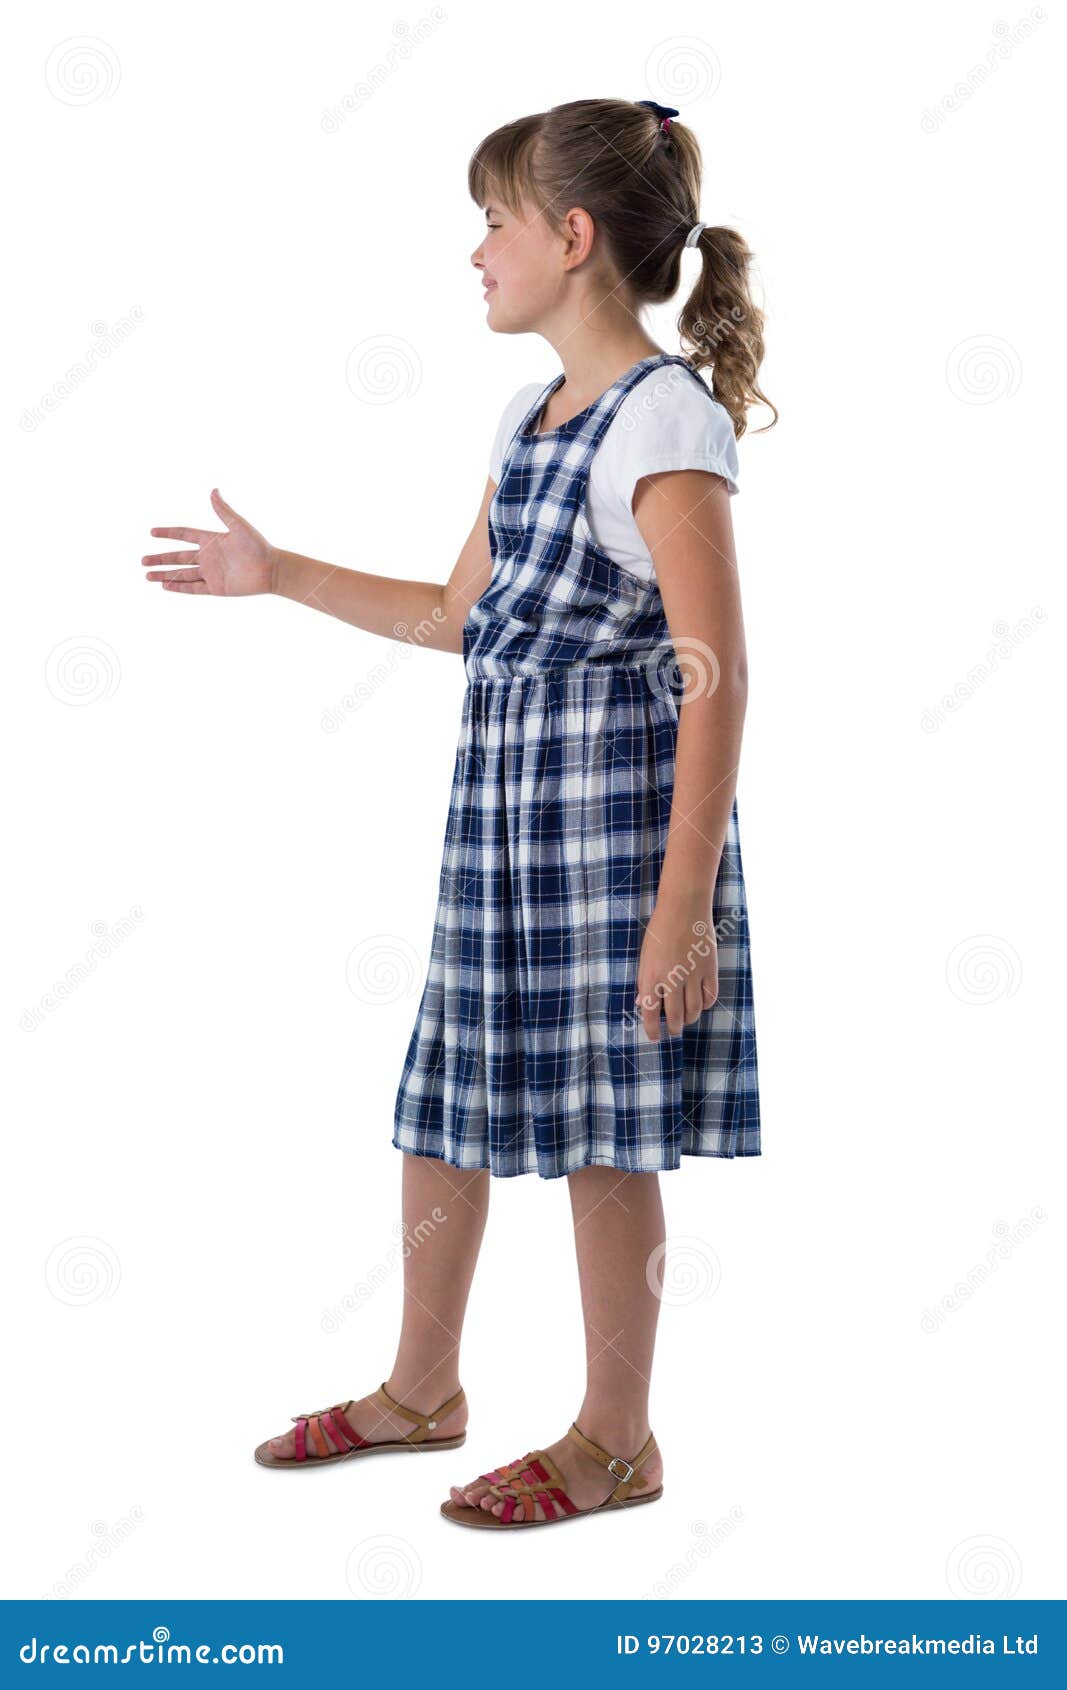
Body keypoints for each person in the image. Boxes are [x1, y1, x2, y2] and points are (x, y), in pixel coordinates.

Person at [141, 96, 775, 1530]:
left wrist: (684, 910)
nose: (475, 251)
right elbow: (456, 611)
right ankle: (422, 1386)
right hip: (506, 831)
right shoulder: (529, 412)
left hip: (618, 839)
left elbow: (716, 675)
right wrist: (278, 570)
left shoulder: (665, 419)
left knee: (606, 1135)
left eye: (494, 220)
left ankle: (618, 1436)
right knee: (449, 1102)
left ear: (573, 237)